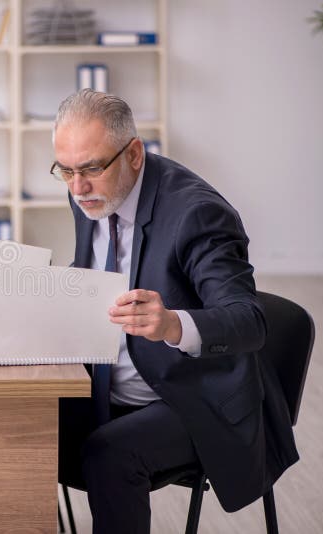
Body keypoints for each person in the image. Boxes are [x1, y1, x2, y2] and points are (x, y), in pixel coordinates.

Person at [54, 89, 298, 533]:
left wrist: (172, 324)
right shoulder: (88, 193)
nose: (78, 187)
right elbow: (100, 267)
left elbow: (249, 319)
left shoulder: (198, 214)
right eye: (65, 171)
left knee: (108, 454)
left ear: (133, 154)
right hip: (112, 382)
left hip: (194, 399)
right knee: (17, 425)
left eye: (90, 169)